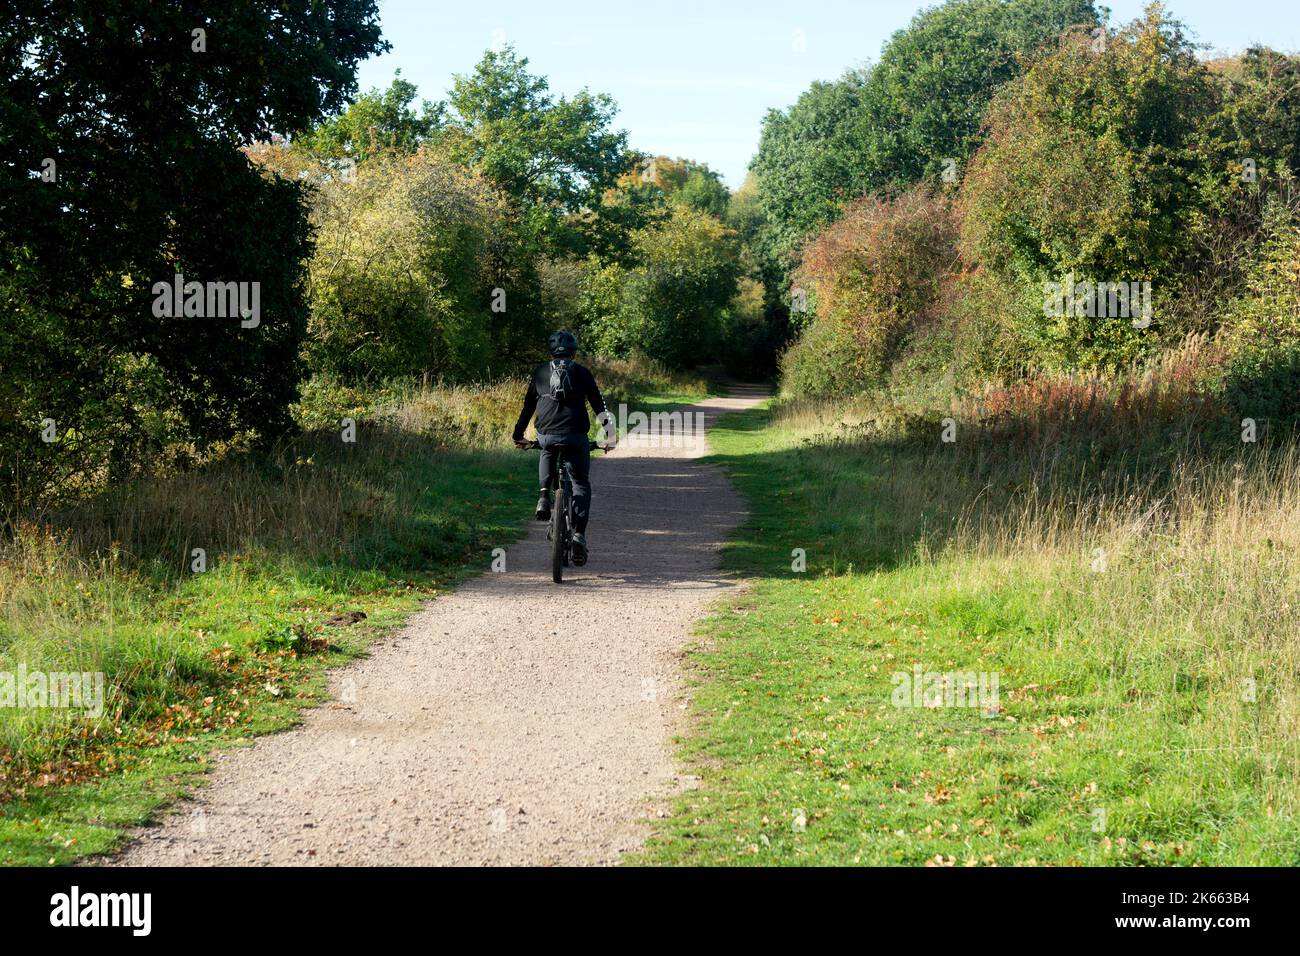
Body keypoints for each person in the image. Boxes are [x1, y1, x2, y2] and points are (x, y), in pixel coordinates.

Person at [512, 330, 615, 565]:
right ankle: (578, 534)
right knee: (580, 484)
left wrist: (518, 435)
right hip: (576, 436)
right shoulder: (582, 372)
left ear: (551, 350)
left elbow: (528, 407)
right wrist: (609, 435)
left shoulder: (539, 372)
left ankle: (543, 497)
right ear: (573, 351)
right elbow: (600, 406)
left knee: (547, 449)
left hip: (546, 434)